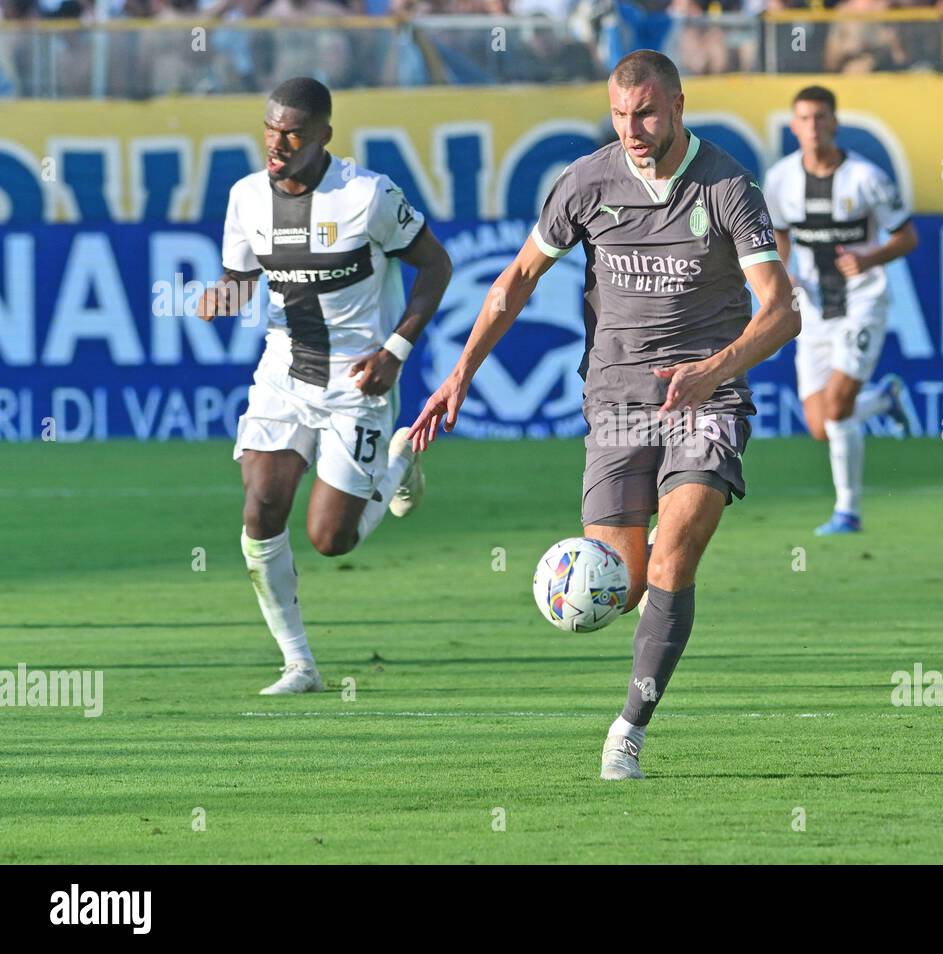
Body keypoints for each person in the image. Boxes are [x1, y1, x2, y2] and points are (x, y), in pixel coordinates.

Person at [407, 50, 799, 780]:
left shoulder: (728, 186)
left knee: (678, 543)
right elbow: (518, 277)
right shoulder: (586, 182)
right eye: (621, 115)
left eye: (646, 112)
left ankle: (629, 729)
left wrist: (711, 370)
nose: (633, 129)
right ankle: (627, 607)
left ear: (679, 103)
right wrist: (459, 374)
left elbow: (783, 313)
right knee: (620, 587)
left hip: (708, 396)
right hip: (615, 399)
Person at [198, 77, 452, 694]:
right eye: (270, 127)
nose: (277, 142)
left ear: (323, 137)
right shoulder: (245, 197)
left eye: (293, 132)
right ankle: (299, 663)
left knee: (330, 539)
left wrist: (396, 348)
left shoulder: (366, 195)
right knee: (260, 506)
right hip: (284, 372)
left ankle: (394, 468)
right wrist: (217, 297)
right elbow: (240, 278)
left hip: (357, 383)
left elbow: (436, 265)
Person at [764, 85, 917, 536]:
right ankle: (885, 401)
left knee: (836, 405)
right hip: (812, 308)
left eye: (820, 118)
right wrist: (783, 271)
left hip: (862, 302)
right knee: (819, 425)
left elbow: (907, 236)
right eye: (804, 119)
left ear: (834, 122)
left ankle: (847, 511)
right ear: (794, 127)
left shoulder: (866, 178)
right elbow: (779, 234)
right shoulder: (780, 179)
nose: (812, 127)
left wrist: (869, 257)